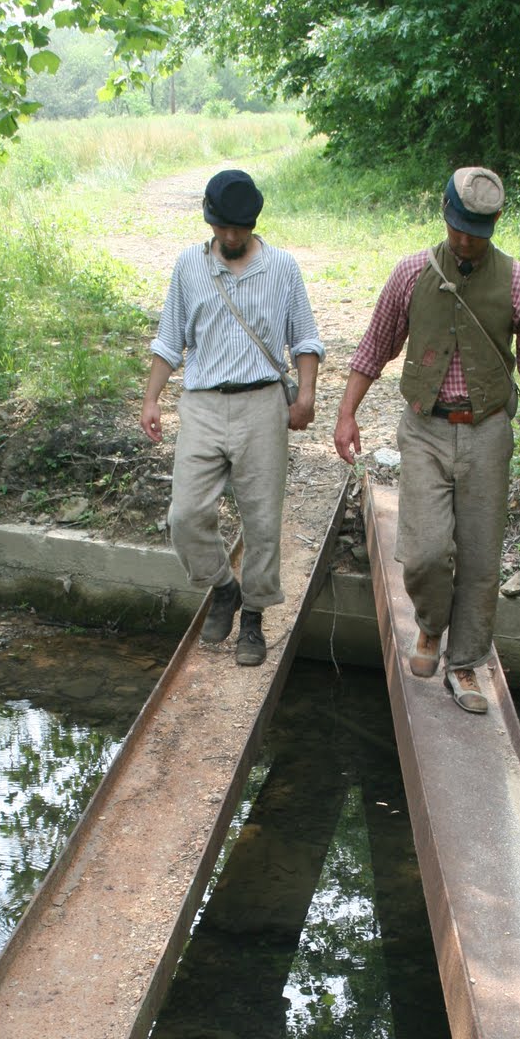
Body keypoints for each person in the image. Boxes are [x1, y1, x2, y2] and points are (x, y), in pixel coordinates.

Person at [334, 167, 520, 714]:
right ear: (444, 214)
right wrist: (347, 413)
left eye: (478, 232)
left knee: (482, 559)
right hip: (425, 428)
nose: (467, 241)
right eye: (460, 228)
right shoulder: (412, 273)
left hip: (487, 431)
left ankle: (464, 664)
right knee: (424, 553)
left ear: (495, 224)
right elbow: (375, 347)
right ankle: (430, 627)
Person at [141, 169, 325, 666]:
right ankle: (224, 588)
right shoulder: (188, 265)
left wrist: (304, 394)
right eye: (222, 227)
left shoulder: (283, 268)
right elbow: (168, 339)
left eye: (239, 229)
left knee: (262, 521)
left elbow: (305, 340)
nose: (230, 237)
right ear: (210, 220)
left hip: (262, 403)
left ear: (253, 223)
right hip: (202, 404)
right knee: (185, 516)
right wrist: (152, 398)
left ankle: (254, 619)